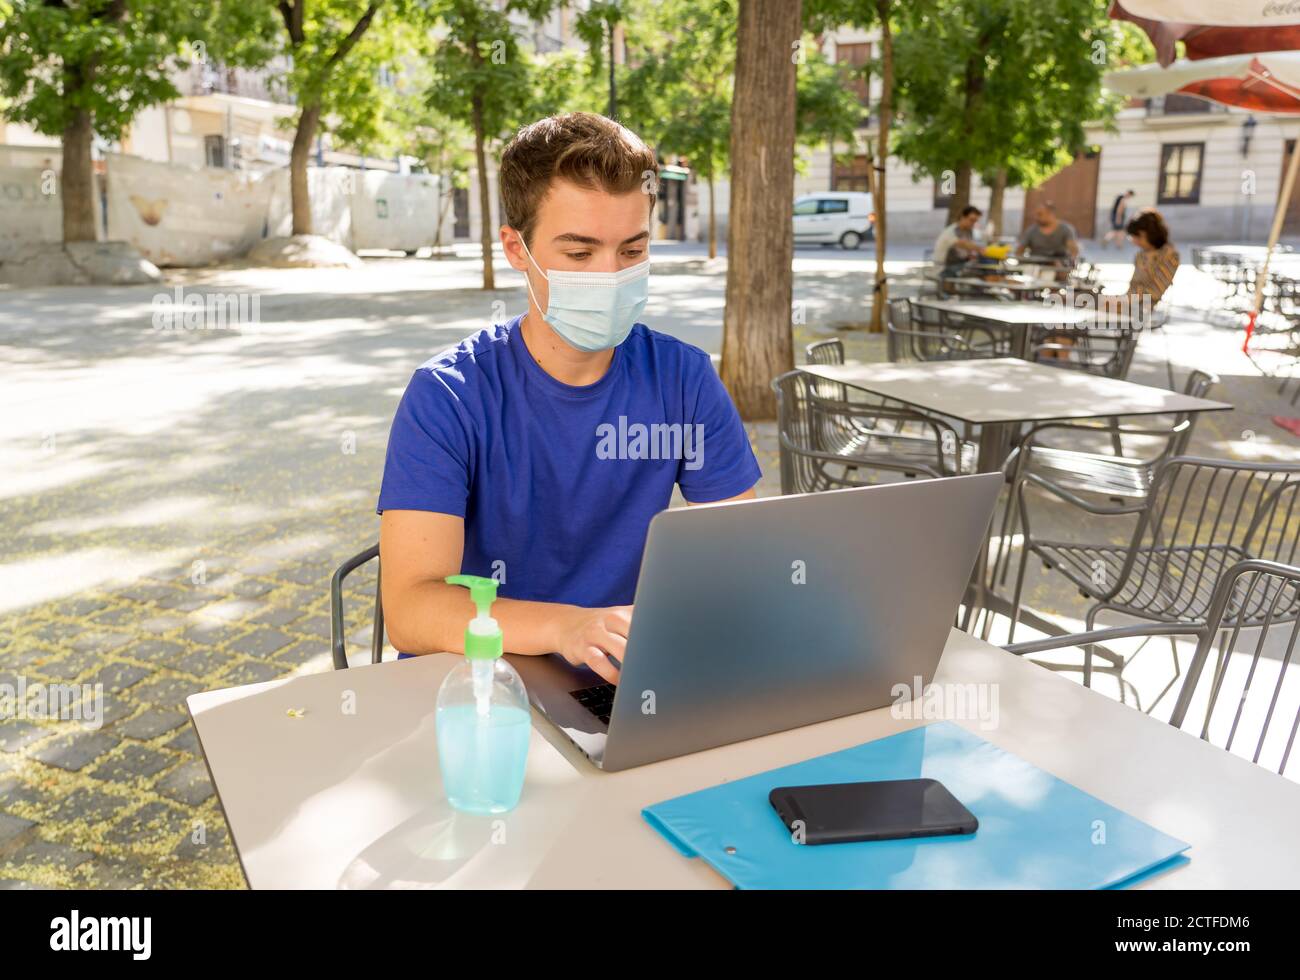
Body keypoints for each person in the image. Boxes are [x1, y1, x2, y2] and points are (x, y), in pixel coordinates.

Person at [375, 113, 761, 685]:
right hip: (478, 686)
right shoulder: (448, 397)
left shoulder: (683, 378)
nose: (609, 275)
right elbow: (410, 611)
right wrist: (568, 629)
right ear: (515, 248)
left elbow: (746, 558)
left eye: (631, 251)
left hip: (626, 679)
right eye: (580, 255)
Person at [931, 205, 985, 278]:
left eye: (975, 221)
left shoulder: (968, 231)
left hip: (959, 265)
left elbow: (967, 251)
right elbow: (964, 244)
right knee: (983, 271)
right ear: (963, 217)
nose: (973, 223)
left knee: (985, 266)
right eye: (971, 220)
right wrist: (982, 249)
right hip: (944, 268)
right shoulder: (952, 231)